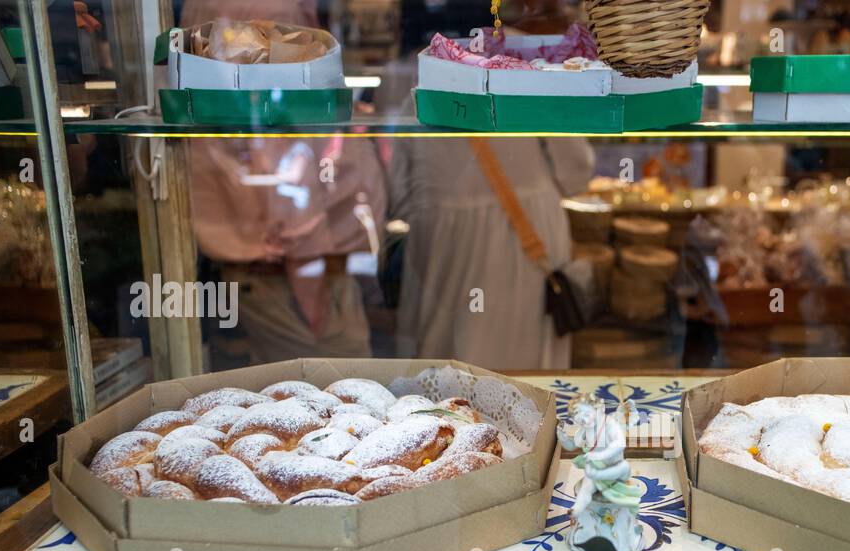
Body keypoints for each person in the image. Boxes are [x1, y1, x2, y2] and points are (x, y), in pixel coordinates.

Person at [181, 0, 388, 364]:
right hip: (283, 281)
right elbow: (294, 212)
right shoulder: (259, 21)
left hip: (307, 274)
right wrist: (316, 306)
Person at [388, 135, 593, 368]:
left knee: (446, 358)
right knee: (526, 360)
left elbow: (400, 198)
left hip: (444, 239)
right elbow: (576, 170)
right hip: (528, 229)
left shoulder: (416, 102)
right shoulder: (532, 95)